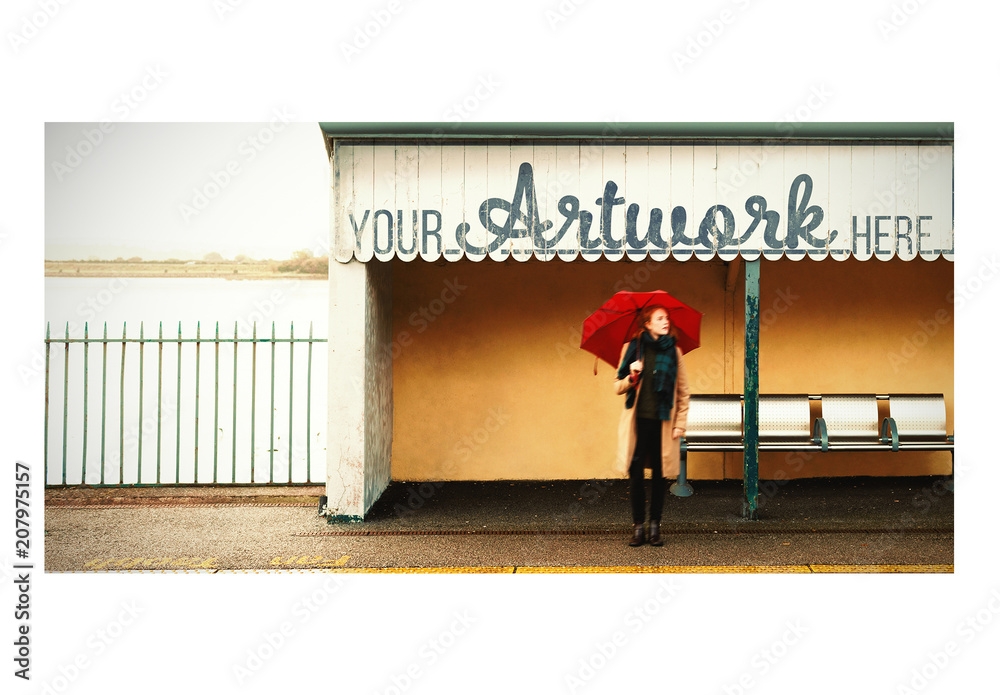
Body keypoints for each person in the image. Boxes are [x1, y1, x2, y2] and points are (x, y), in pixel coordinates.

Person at [613, 305, 690, 547]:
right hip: (638, 423)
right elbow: (617, 387)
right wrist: (632, 375)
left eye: (666, 318)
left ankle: (655, 525)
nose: (665, 321)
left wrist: (680, 424)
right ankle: (638, 527)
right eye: (660, 318)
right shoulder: (633, 349)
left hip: (663, 424)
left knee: (659, 474)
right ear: (647, 324)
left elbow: (683, 392)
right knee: (635, 473)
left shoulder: (674, 352)